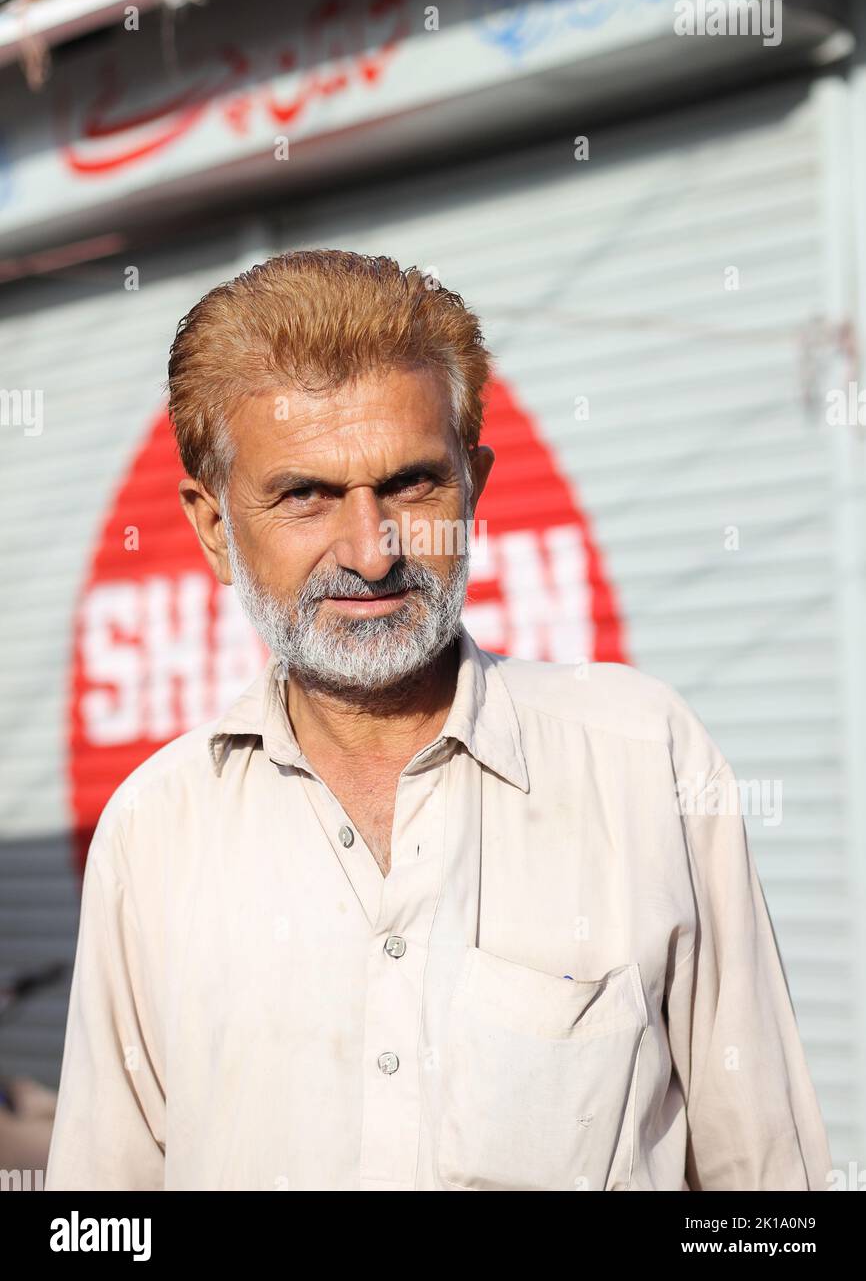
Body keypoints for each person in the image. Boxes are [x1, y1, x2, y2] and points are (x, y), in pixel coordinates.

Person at [45, 250, 833, 1191]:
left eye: (414, 485)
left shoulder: (643, 763)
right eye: (306, 496)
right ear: (215, 527)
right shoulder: (154, 833)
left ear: (477, 486)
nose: (372, 552)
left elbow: (769, 1193)